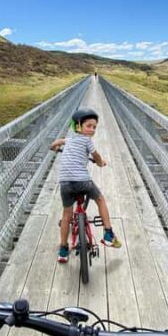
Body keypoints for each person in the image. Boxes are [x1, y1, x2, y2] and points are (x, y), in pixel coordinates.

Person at [49, 107, 122, 263]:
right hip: (83, 181)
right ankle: (108, 233)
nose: (92, 129)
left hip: (65, 183)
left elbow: (52, 145)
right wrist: (100, 162)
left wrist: (57, 147)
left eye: (94, 127)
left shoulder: (68, 140)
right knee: (100, 199)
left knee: (66, 216)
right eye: (89, 126)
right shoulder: (87, 140)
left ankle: (63, 250)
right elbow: (96, 156)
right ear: (78, 126)